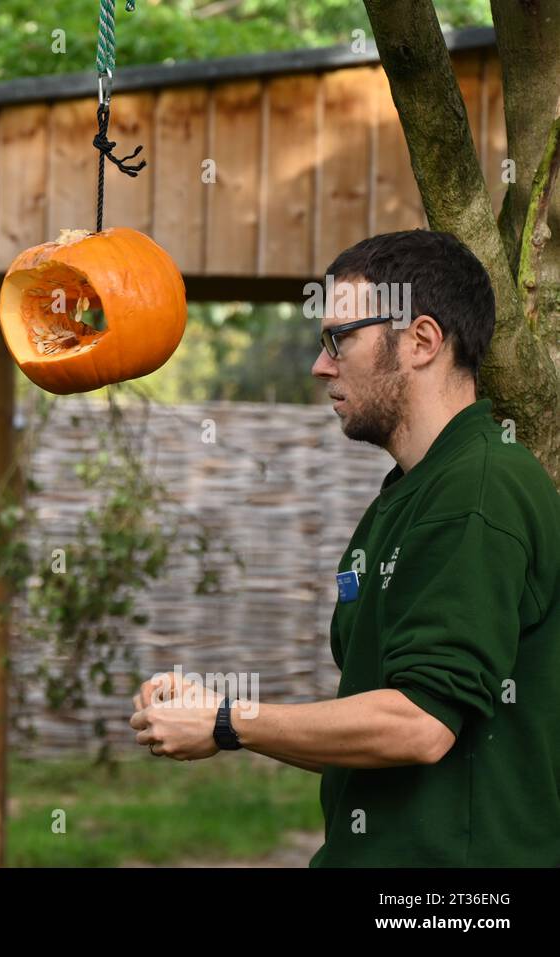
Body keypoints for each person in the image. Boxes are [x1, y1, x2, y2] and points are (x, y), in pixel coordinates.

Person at [128, 229, 560, 866]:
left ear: (421, 341)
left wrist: (227, 721)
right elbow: (374, 719)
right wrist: (219, 718)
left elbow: (418, 724)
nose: (321, 364)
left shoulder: (478, 493)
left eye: (340, 339)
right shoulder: (413, 492)